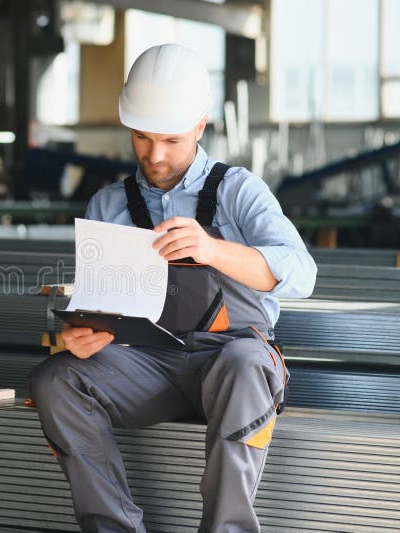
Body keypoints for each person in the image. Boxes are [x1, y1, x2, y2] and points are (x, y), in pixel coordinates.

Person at [29, 43, 317, 533]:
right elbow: (98, 305)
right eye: (142, 137)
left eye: (170, 140)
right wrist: (78, 337)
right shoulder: (107, 204)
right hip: (148, 367)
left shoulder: (238, 190)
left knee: (246, 364)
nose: (154, 155)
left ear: (201, 127)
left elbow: (301, 273)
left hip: (231, 360)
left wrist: (210, 248)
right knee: (55, 381)